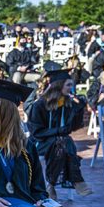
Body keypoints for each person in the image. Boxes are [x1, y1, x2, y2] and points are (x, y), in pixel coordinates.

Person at [27, 70, 91, 199]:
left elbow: (73, 127)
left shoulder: (67, 104)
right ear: (58, 85)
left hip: (59, 144)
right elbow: (36, 131)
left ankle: (49, 185)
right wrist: (57, 131)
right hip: (39, 142)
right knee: (62, 142)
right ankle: (76, 179)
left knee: (62, 142)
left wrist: (79, 110)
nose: (70, 88)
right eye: (68, 85)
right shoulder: (39, 105)